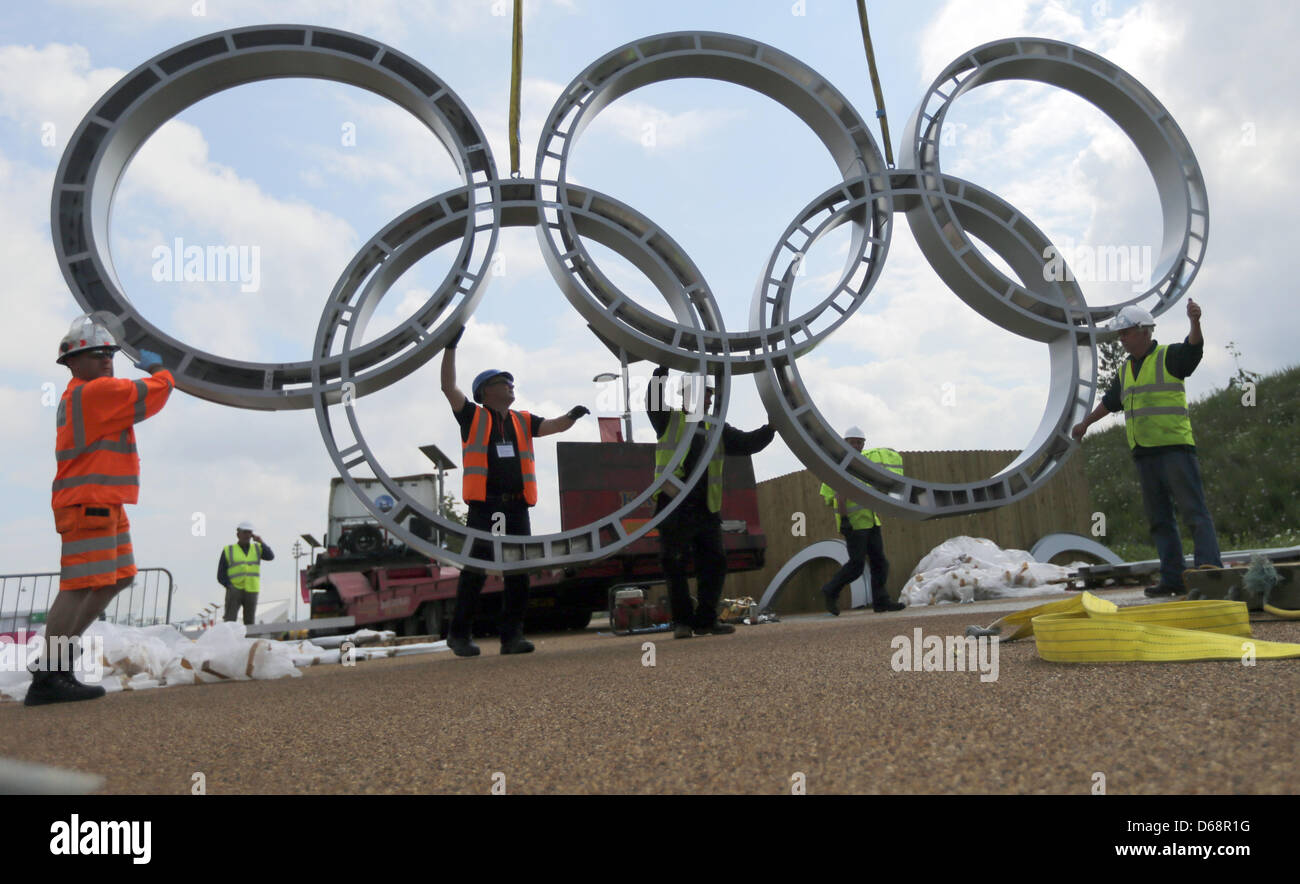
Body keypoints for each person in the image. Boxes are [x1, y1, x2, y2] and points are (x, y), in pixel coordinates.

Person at [29, 316, 173, 706]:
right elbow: (157, 392)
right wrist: (161, 369)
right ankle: (50, 674)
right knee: (78, 587)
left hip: (102, 501)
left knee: (118, 577)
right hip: (87, 503)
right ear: (73, 363)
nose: (106, 360)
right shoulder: (93, 393)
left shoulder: (89, 393)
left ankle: (56, 665)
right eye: (96, 354)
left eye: (109, 353)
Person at [439, 328, 589, 656]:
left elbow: (553, 426)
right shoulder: (473, 416)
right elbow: (448, 387)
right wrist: (450, 346)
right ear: (486, 391)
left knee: (519, 572)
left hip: (517, 507)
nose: (511, 386)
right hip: (485, 507)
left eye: (511, 383)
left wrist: (571, 417)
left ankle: (512, 637)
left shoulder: (522, 420)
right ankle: (459, 635)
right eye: (504, 382)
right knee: (475, 572)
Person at [1072, 299, 1221, 597]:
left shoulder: (1169, 356)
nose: (1121, 338)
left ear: (1144, 332)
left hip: (1175, 449)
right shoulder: (1126, 370)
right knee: (1160, 521)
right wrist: (1086, 423)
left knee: (1194, 513)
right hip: (1144, 454)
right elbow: (1111, 401)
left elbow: (1193, 350)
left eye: (1125, 332)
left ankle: (1210, 577)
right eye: (1120, 334)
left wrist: (1195, 321)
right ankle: (1173, 579)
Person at [647, 365, 776, 639]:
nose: (709, 399)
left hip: (705, 509)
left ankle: (706, 621)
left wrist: (771, 428)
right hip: (674, 506)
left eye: (709, 394)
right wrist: (661, 371)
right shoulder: (669, 419)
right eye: (705, 394)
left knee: (714, 563)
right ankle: (682, 622)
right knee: (674, 564)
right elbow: (653, 401)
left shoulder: (715, 427)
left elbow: (747, 443)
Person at [819, 427, 907, 615]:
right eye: (853, 442)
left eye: (860, 442)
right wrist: (844, 520)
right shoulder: (843, 464)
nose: (857, 445)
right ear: (845, 443)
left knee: (880, 563)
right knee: (857, 565)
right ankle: (830, 590)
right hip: (855, 524)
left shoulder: (863, 464)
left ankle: (881, 601)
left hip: (871, 522)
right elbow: (840, 495)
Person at [218, 521, 275, 625]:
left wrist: (261, 541)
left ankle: (248, 641)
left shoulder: (257, 548)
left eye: (249, 533)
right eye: (244, 532)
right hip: (234, 589)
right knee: (230, 621)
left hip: (252, 589)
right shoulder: (229, 550)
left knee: (250, 622)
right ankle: (230, 640)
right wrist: (229, 586)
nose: (247, 535)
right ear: (238, 534)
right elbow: (221, 573)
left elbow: (270, 556)